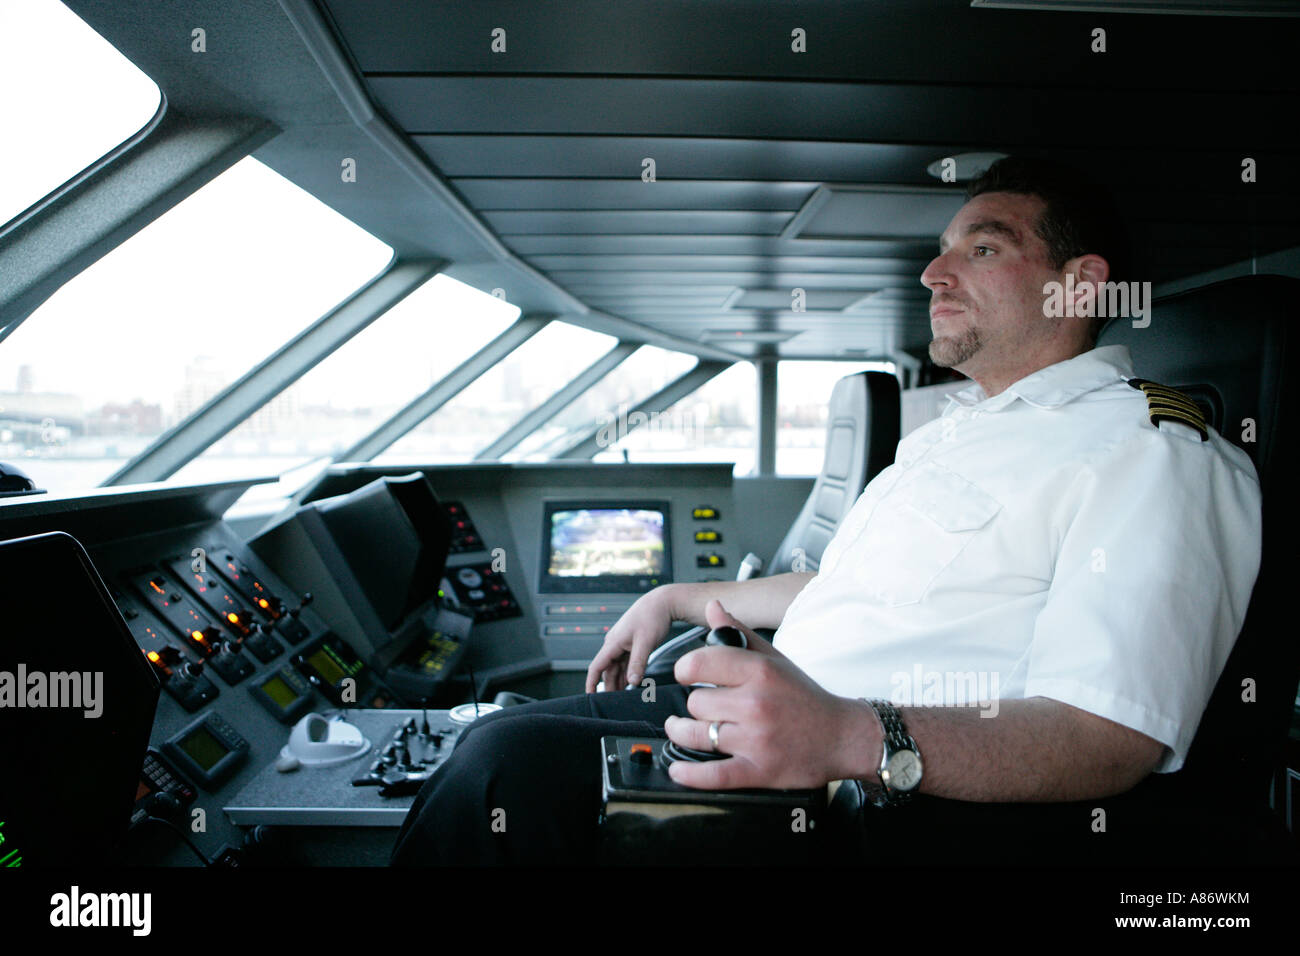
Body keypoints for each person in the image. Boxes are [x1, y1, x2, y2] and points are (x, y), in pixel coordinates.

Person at [390, 157, 1262, 865]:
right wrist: (677, 598)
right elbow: (846, 588)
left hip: (866, 798)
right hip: (788, 724)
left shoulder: (1154, 455)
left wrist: (851, 736)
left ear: (1081, 285)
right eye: (943, 250)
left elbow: (1108, 736)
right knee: (495, 737)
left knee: (501, 772)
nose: (934, 273)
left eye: (983, 249)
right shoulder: (957, 433)